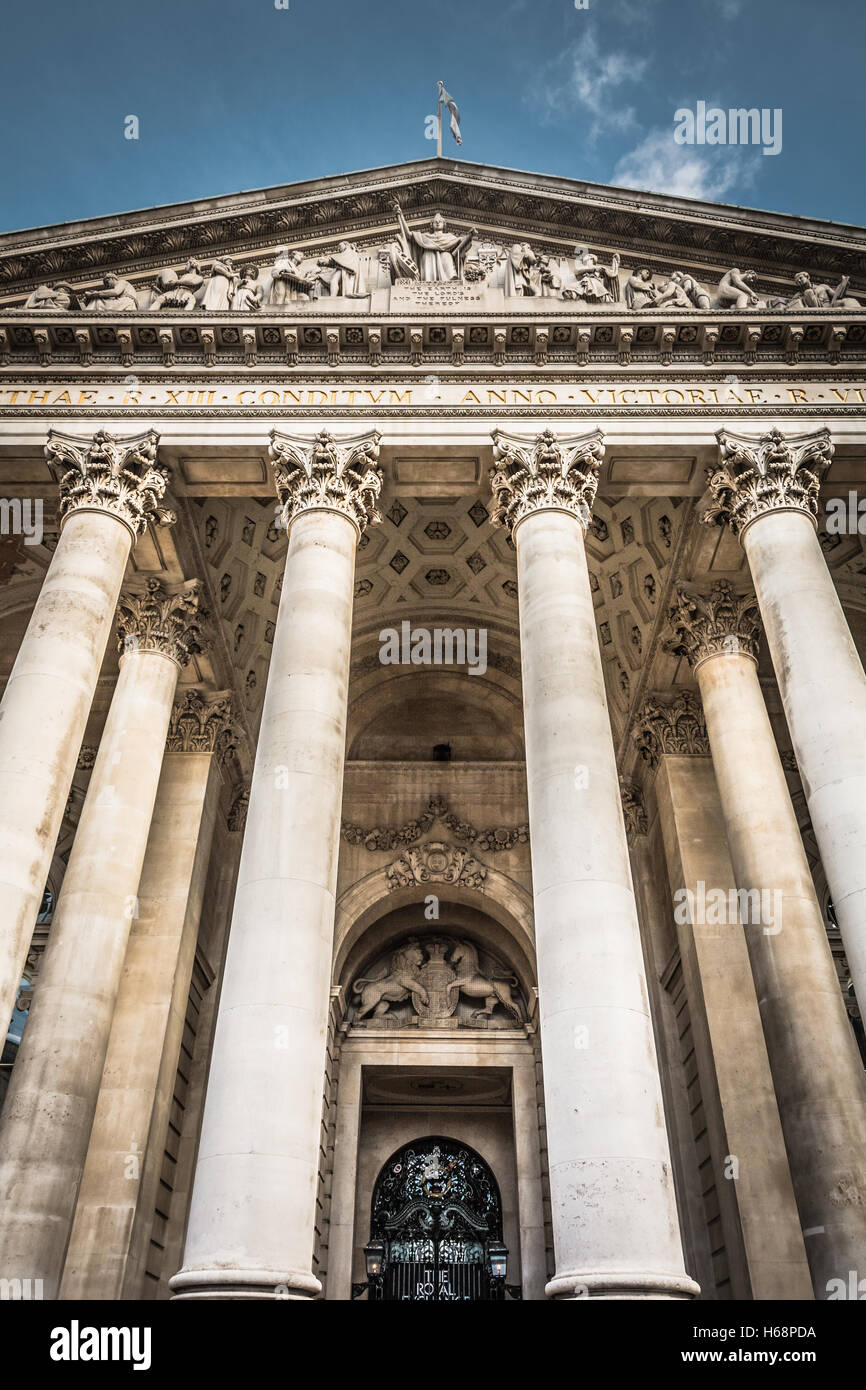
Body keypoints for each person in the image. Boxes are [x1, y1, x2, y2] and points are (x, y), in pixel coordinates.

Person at [392, 198, 476, 281]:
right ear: (431, 225)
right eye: (435, 221)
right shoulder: (425, 236)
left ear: (444, 224)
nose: (438, 222)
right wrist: (400, 215)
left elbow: (462, 245)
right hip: (429, 257)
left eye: (440, 221)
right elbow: (408, 234)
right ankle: (427, 283)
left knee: (446, 256)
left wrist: (470, 236)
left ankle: (450, 280)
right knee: (428, 255)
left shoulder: (450, 237)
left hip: (445, 257)